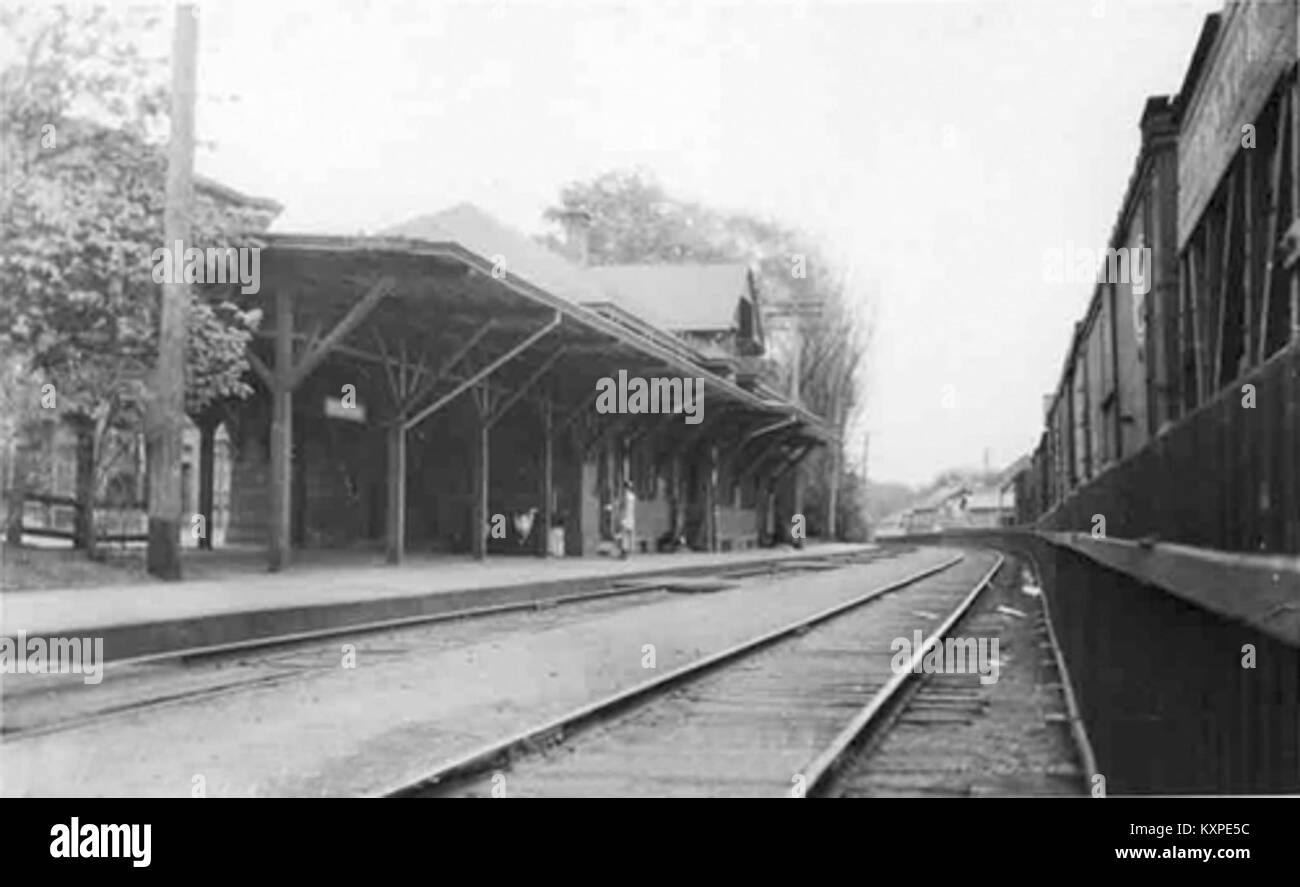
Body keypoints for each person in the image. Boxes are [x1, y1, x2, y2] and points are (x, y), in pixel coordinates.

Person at [618, 480, 637, 559]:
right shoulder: (632, 496)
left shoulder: (625, 496)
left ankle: (624, 552)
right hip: (631, 517)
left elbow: (622, 506)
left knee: (624, 535)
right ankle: (629, 551)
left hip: (625, 517)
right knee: (629, 535)